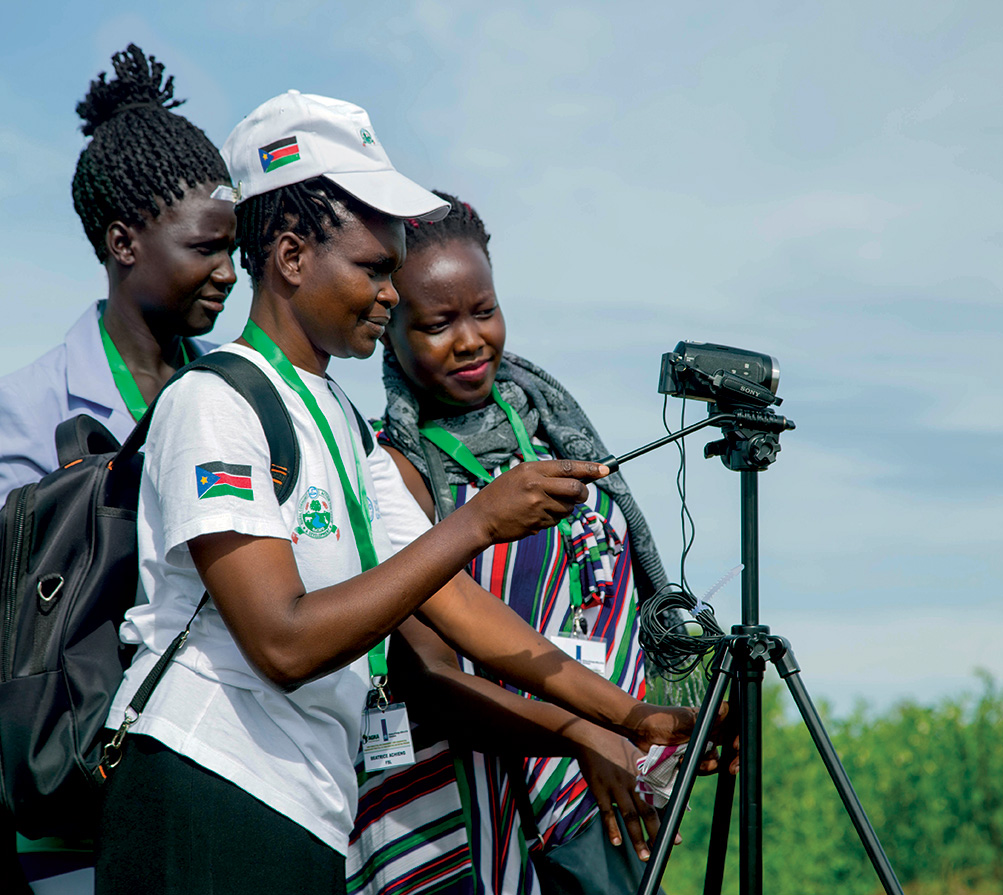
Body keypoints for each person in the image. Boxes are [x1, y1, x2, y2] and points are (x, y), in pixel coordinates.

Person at [93, 90, 703, 895]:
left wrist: (634, 718)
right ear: (290, 257)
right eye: (373, 269)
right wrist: (482, 519)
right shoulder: (214, 403)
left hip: (306, 802)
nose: (391, 292)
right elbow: (283, 643)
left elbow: (452, 601)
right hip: (209, 786)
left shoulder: (341, 419)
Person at [0, 44, 235, 894]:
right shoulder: (23, 408)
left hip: (214, 791)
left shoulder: (234, 392)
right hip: (73, 817)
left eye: (236, 248)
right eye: (205, 248)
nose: (229, 272)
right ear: (122, 242)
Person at [351, 193, 671, 895]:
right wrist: (582, 729)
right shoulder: (389, 473)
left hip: (607, 788)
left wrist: (661, 718)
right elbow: (428, 678)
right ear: (388, 329)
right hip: (466, 802)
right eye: (437, 323)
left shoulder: (558, 429)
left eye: (483, 311)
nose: (469, 340)